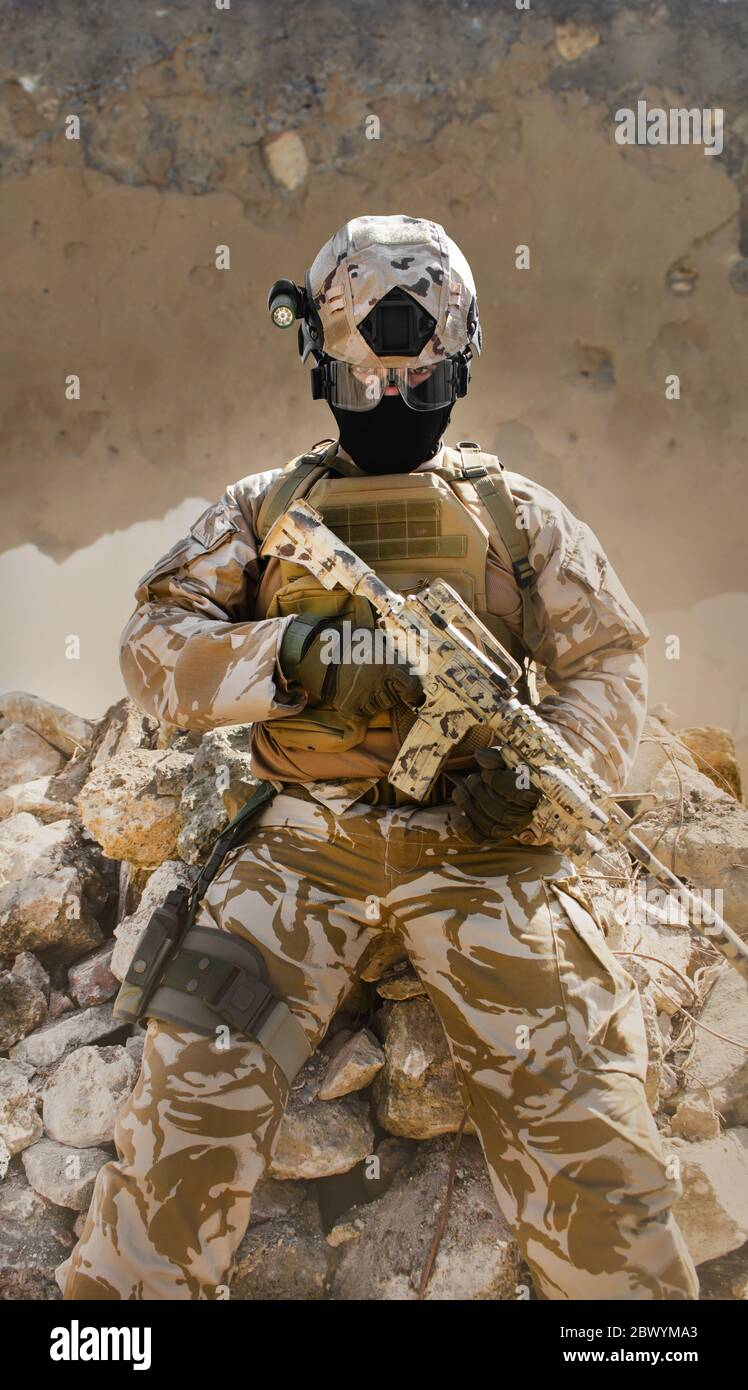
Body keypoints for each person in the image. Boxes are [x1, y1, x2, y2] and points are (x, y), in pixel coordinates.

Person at [62, 215, 698, 1300]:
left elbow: (609, 662)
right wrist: (293, 656)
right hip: (297, 851)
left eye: (423, 381)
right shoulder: (262, 514)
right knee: (187, 1118)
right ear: (320, 366)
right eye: (370, 386)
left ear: (460, 359)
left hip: (484, 853)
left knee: (589, 1139)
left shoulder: (513, 514)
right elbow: (151, 651)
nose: (398, 403)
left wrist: (543, 784)